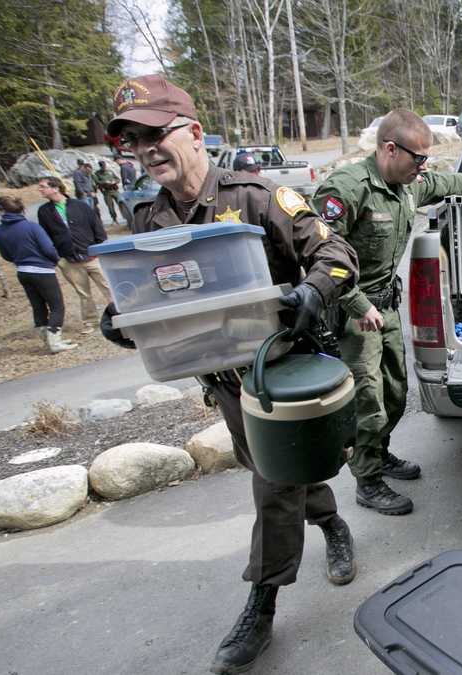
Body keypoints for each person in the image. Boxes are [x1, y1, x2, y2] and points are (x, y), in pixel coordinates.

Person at [101, 74, 361, 674]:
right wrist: (120, 318)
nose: (144, 151)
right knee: (280, 471)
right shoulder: (147, 217)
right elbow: (143, 295)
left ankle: (262, 600)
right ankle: (333, 521)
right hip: (221, 381)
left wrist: (314, 292)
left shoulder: (253, 196)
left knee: (272, 485)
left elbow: (336, 254)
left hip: (279, 376)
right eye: (131, 142)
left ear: (193, 132)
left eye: (153, 135)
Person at [311, 109, 462, 516]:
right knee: (367, 400)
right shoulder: (347, 189)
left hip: (386, 307)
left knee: (396, 393)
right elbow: (317, 255)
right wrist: (356, 302)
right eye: (417, 158)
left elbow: (447, 182)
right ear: (390, 148)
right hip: (353, 312)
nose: (423, 167)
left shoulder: (408, 185)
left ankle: (380, 455)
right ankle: (367, 481)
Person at [0, 196, 77, 353]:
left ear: (1, 211)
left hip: (22, 271)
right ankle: (55, 341)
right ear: (22, 210)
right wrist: (55, 261)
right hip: (42, 271)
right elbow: (48, 249)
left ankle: (47, 340)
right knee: (57, 306)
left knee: (38, 306)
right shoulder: (31, 227)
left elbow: (5, 255)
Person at [36, 176, 112, 334]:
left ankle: (120, 314)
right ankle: (91, 322)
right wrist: (58, 258)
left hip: (92, 256)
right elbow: (46, 236)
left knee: (108, 287)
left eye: (43, 186)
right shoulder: (44, 211)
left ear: (56, 188)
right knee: (83, 293)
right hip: (69, 260)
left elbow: (97, 226)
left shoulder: (80, 206)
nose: (40, 189)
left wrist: (100, 248)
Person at [93, 160, 122, 225]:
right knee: (110, 207)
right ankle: (114, 219)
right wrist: (105, 182)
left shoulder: (110, 172)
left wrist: (114, 181)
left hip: (114, 190)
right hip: (106, 192)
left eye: (105, 166)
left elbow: (118, 179)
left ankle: (125, 217)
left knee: (121, 204)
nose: (104, 167)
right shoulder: (97, 174)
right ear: (100, 167)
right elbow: (97, 182)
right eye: (102, 166)